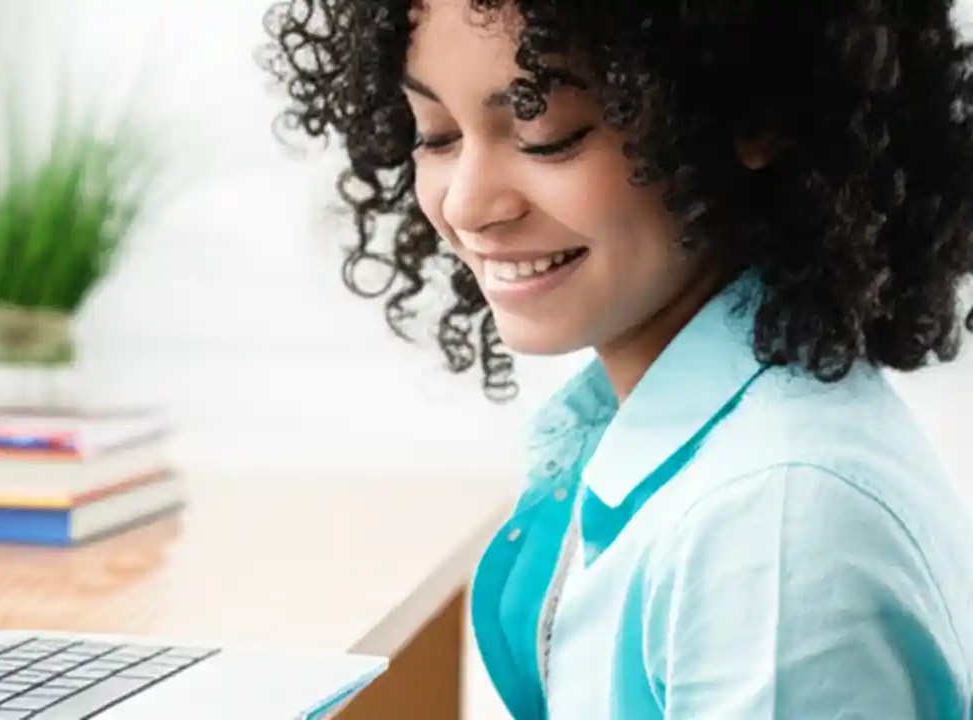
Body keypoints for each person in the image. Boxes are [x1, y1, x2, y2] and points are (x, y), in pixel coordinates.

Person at [262, 1, 973, 718]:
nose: (469, 204)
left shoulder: (772, 529)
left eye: (545, 134)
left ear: (750, 113)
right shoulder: (683, 446)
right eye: (437, 135)